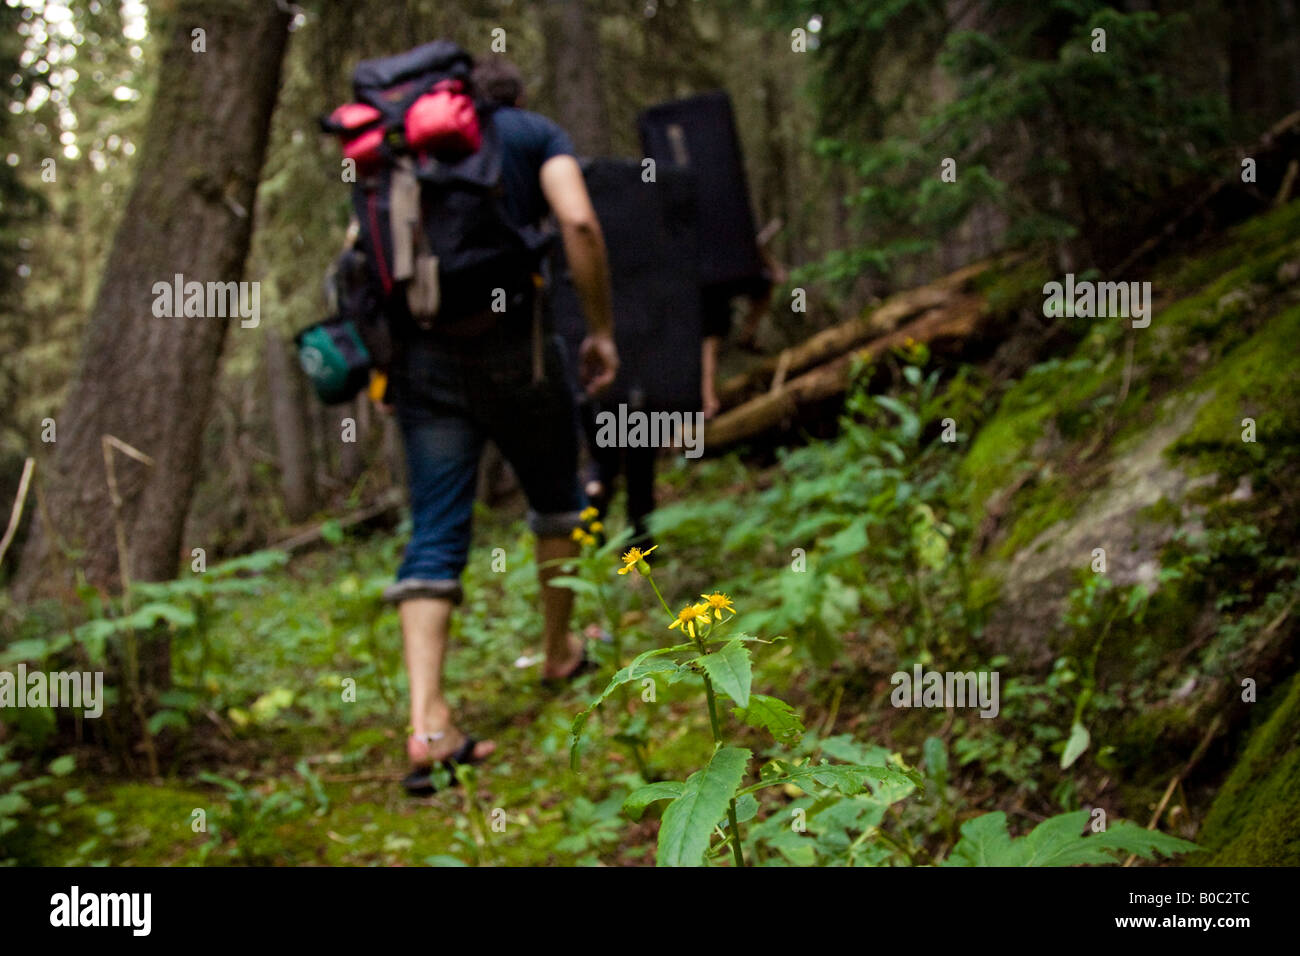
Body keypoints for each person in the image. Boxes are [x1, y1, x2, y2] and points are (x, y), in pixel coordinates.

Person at [380, 54, 617, 794]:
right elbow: (577, 220)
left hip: (421, 352)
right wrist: (601, 328)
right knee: (555, 498)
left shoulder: (405, 145)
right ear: (514, 97)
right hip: (518, 347)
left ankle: (428, 725)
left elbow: (370, 255)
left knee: (436, 528)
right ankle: (558, 650)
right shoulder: (535, 133)